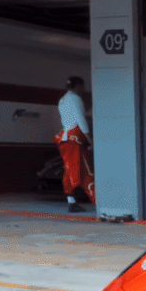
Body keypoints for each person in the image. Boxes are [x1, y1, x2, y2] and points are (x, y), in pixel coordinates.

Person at [56, 76, 95, 212]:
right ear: (78, 85)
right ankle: (99, 202)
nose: (83, 89)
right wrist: (89, 137)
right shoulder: (75, 98)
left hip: (64, 139)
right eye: (82, 86)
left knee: (68, 171)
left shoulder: (62, 100)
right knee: (85, 171)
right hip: (75, 138)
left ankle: (71, 202)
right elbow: (80, 118)